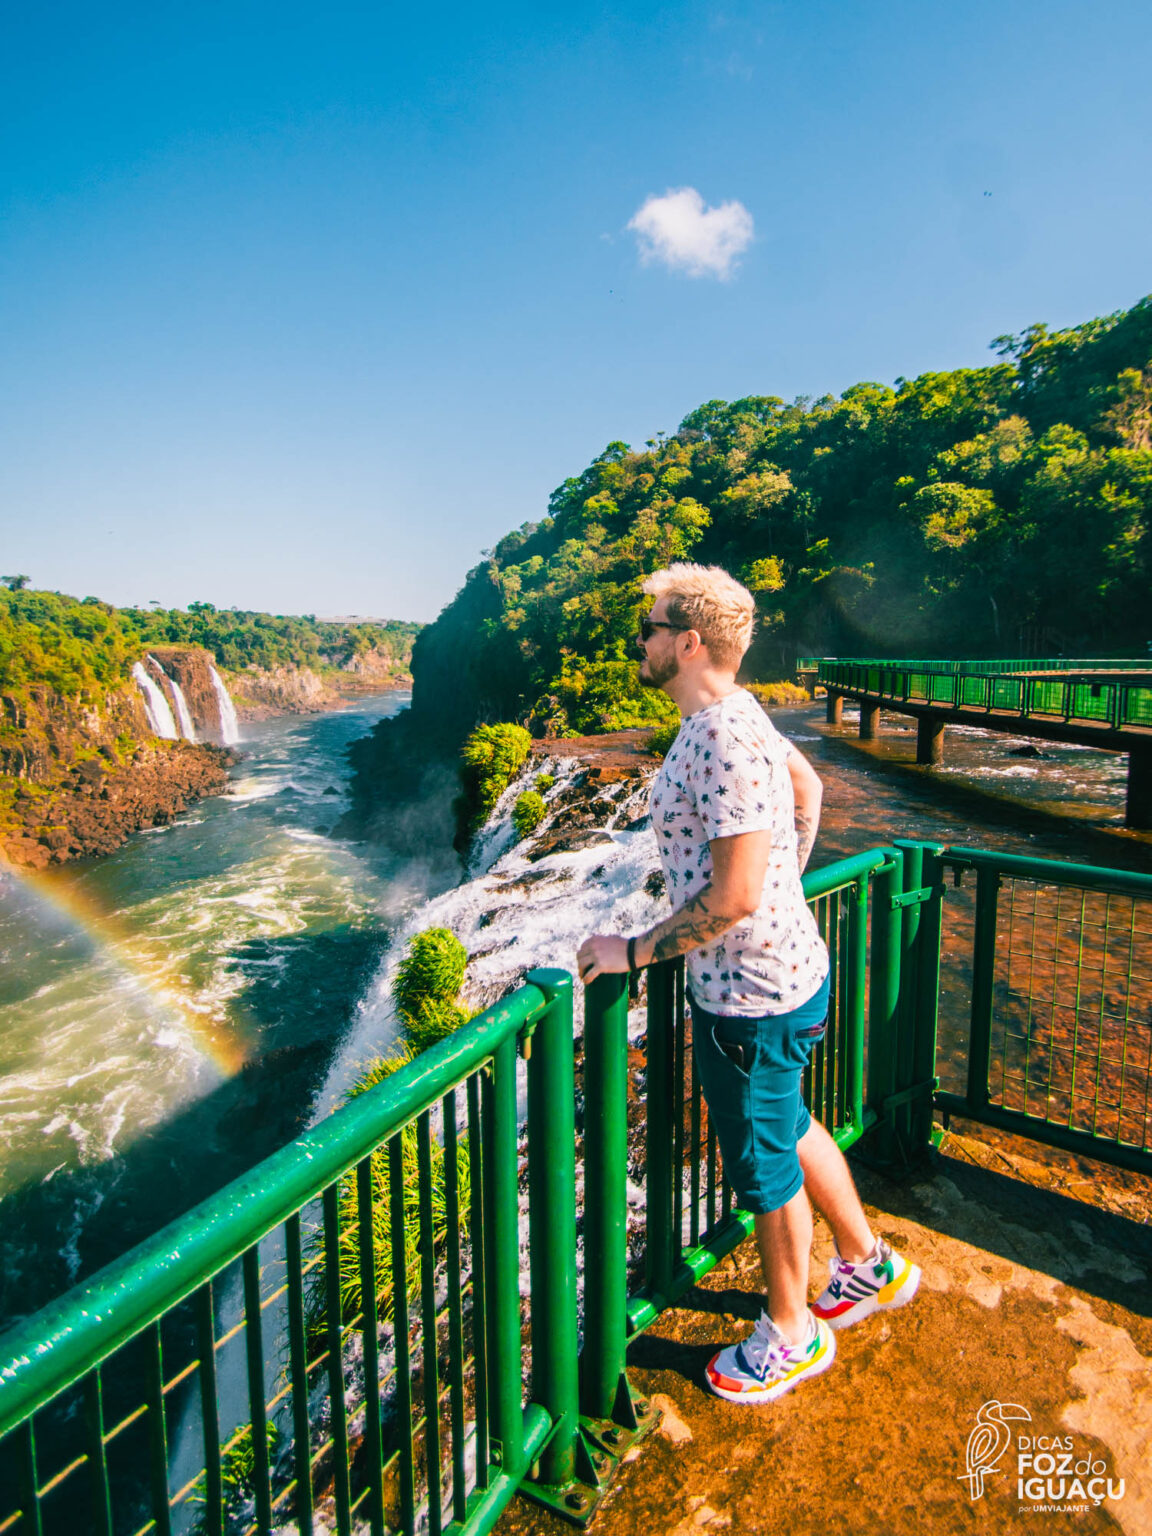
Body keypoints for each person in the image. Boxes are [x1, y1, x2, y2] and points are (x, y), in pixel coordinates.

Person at [576, 562, 919, 1405]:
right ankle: (866, 1264)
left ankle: (792, 1334)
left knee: (765, 1168)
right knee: (792, 1123)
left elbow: (729, 897)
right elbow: (810, 787)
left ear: (689, 642)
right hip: (792, 973)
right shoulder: (740, 713)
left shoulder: (719, 737)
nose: (641, 643)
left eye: (650, 630)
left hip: (750, 999)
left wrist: (636, 949)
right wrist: (786, 889)